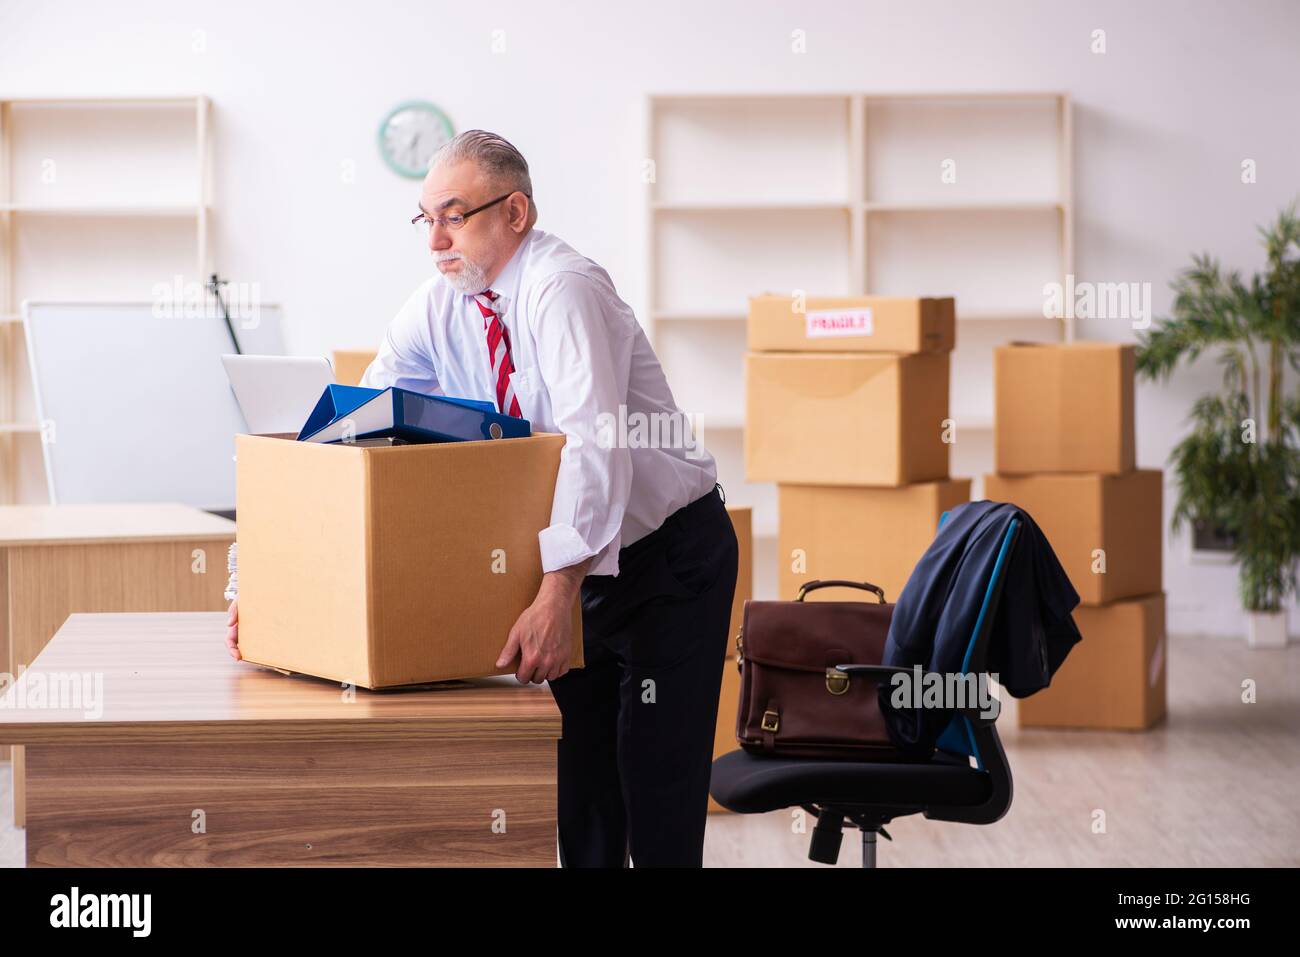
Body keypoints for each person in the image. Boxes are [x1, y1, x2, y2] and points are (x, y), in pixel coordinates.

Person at [225, 130, 738, 867]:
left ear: (516, 212)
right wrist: (263, 576)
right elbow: (345, 437)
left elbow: (596, 449)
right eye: (424, 217)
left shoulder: (564, 289)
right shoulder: (441, 306)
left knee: (655, 784)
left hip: (669, 560)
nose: (434, 237)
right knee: (583, 787)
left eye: (454, 215)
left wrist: (557, 589)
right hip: (570, 559)